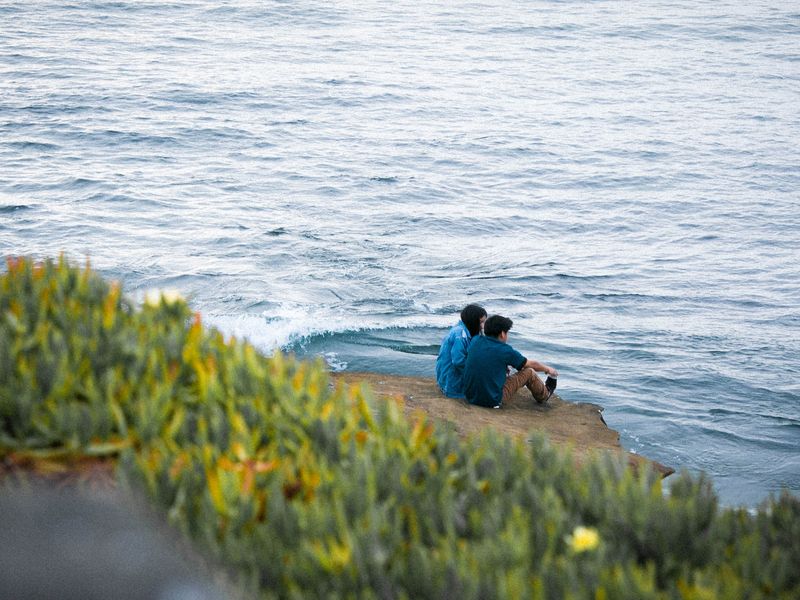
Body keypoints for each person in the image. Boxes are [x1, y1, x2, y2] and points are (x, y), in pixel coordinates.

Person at [463, 314, 558, 408]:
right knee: (529, 372)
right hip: (493, 400)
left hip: (470, 397)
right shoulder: (505, 350)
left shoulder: (475, 340)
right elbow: (531, 364)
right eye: (507, 332)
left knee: (506, 367)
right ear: (502, 334)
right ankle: (545, 395)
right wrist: (548, 369)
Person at [436, 304, 487, 399]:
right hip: (451, 382)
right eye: (481, 322)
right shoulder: (460, 334)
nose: (483, 326)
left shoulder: (465, 330)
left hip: (451, 377)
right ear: (473, 321)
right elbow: (458, 361)